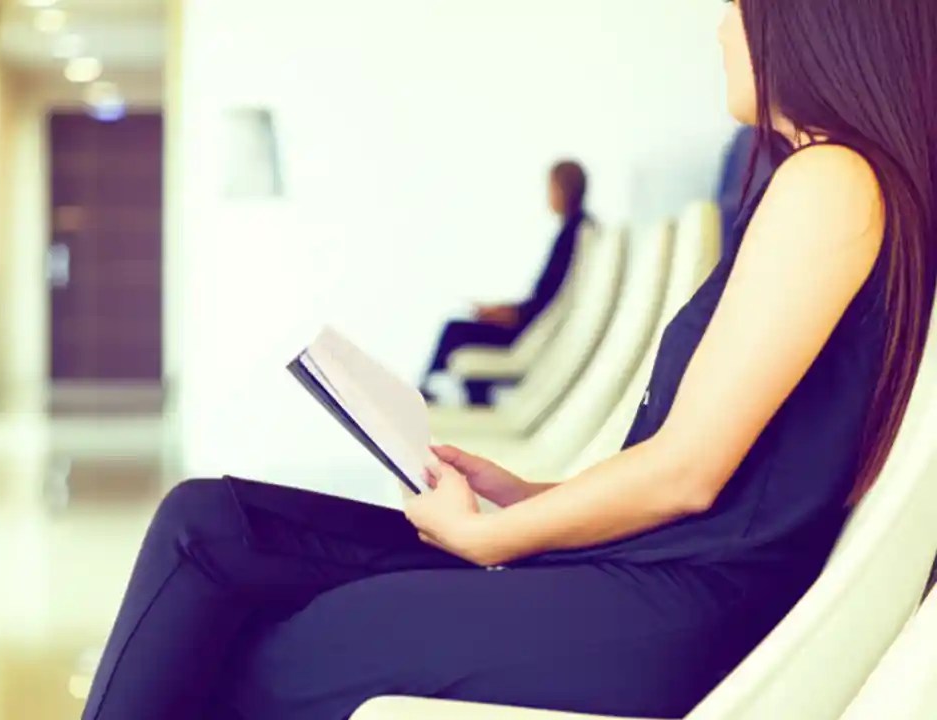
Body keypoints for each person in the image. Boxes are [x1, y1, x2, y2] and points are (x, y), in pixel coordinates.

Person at [81, 1, 937, 718]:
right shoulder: (825, 185)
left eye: (739, 4)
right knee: (211, 527)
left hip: (675, 606)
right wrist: (530, 499)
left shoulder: (831, 184)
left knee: (278, 648)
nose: (721, 29)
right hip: (651, 573)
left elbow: (690, 476)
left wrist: (497, 536)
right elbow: (720, 471)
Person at [421, 160, 590, 406]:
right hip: (531, 323)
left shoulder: (570, 237)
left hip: (525, 329)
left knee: (453, 329)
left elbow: (545, 298)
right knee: (458, 330)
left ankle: (424, 390)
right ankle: (437, 392)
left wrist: (510, 314)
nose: (549, 196)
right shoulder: (578, 231)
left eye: (551, 188)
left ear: (564, 189)